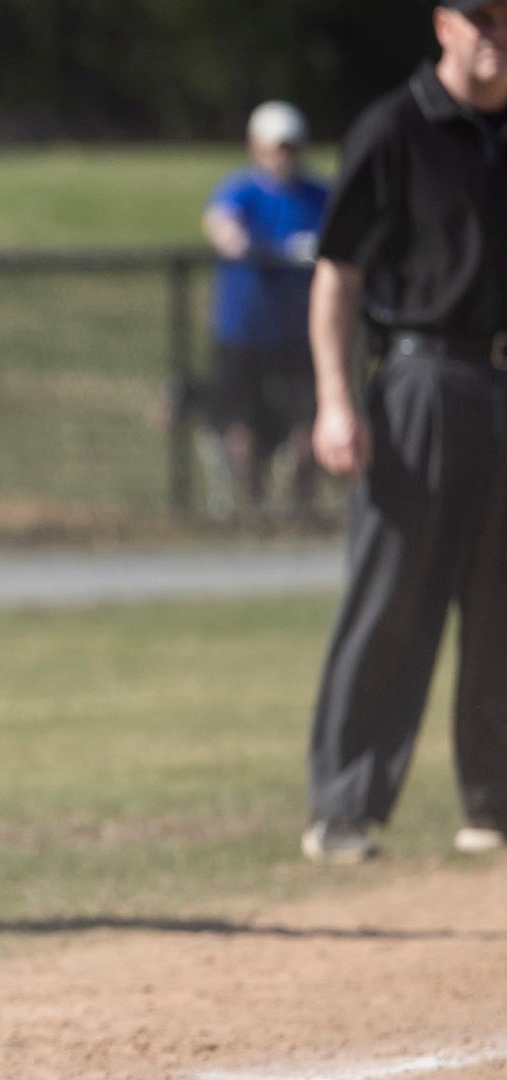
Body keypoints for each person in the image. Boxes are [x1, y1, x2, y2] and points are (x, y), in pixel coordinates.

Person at [301, 0, 507, 866]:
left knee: (502, 605)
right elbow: (338, 272)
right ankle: (344, 808)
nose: (495, 32)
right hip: (424, 376)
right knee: (394, 595)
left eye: (506, 17)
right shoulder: (396, 127)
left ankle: (493, 805)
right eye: (479, 17)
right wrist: (335, 400)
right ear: (443, 25)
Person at [199, 100, 332, 524]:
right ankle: (252, 510)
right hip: (243, 329)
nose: (283, 155)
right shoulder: (241, 190)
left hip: (300, 332)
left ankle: (302, 511)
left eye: (290, 146)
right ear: (256, 147)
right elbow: (220, 221)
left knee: (307, 424)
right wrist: (238, 240)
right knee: (242, 426)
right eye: (276, 147)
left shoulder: (319, 195)